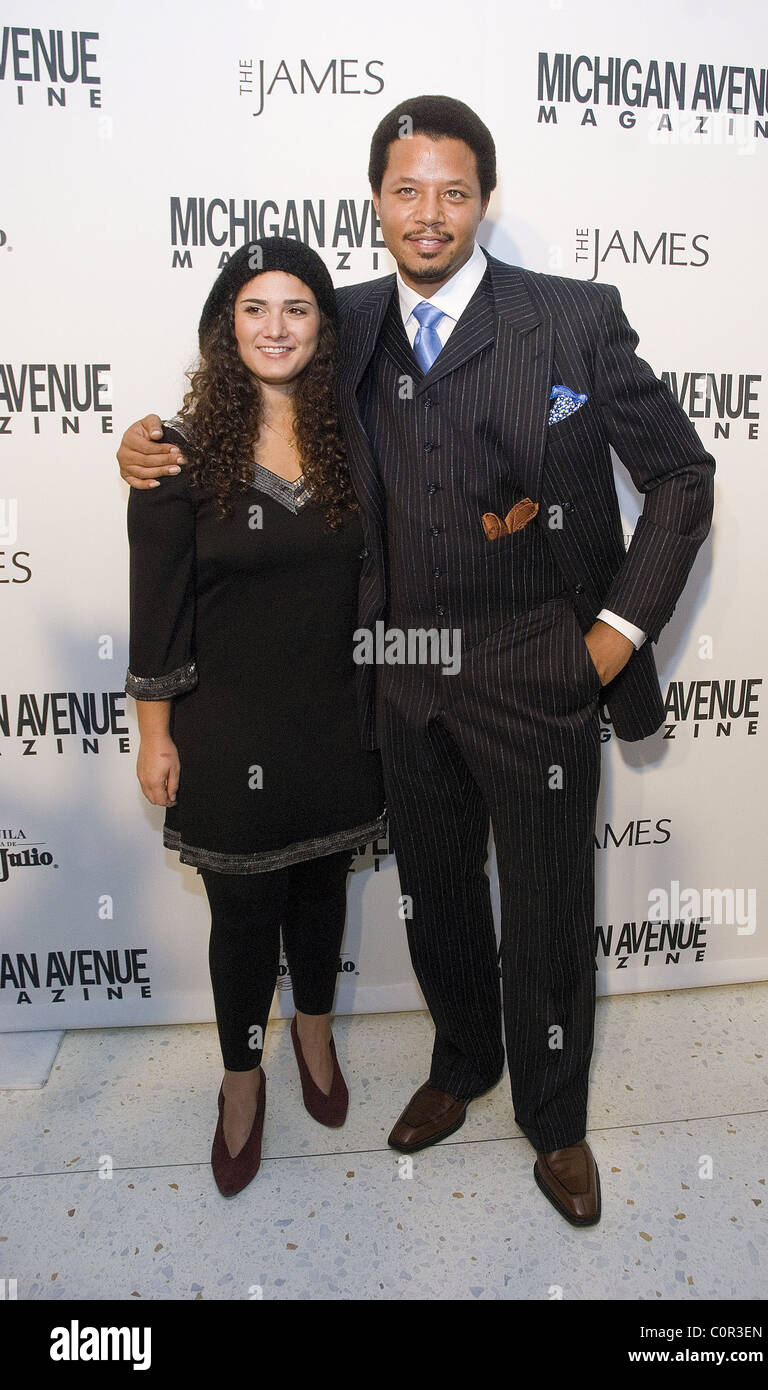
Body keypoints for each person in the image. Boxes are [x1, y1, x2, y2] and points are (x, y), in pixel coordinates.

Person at [118, 96, 714, 1227]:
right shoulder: (342, 324)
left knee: (543, 905)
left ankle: (555, 1118)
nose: (428, 213)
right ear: (377, 203)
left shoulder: (575, 321)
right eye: (406, 190)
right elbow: (249, 376)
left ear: (486, 199)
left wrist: (610, 639)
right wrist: (149, 444)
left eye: (452, 190)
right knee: (438, 894)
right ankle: (463, 1064)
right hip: (398, 672)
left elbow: (682, 480)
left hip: (540, 666)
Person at [125, 236, 386, 1198]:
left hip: (338, 722)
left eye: (297, 309)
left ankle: (314, 1034)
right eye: (253, 309)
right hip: (226, 730)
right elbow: (155, 614)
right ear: (224, 325)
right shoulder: (172, 458)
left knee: (323, 893)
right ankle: (243, 1082)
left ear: (325, 326)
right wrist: (154, 735)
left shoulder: (357, 440)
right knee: (241, 915)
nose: (275, 328)